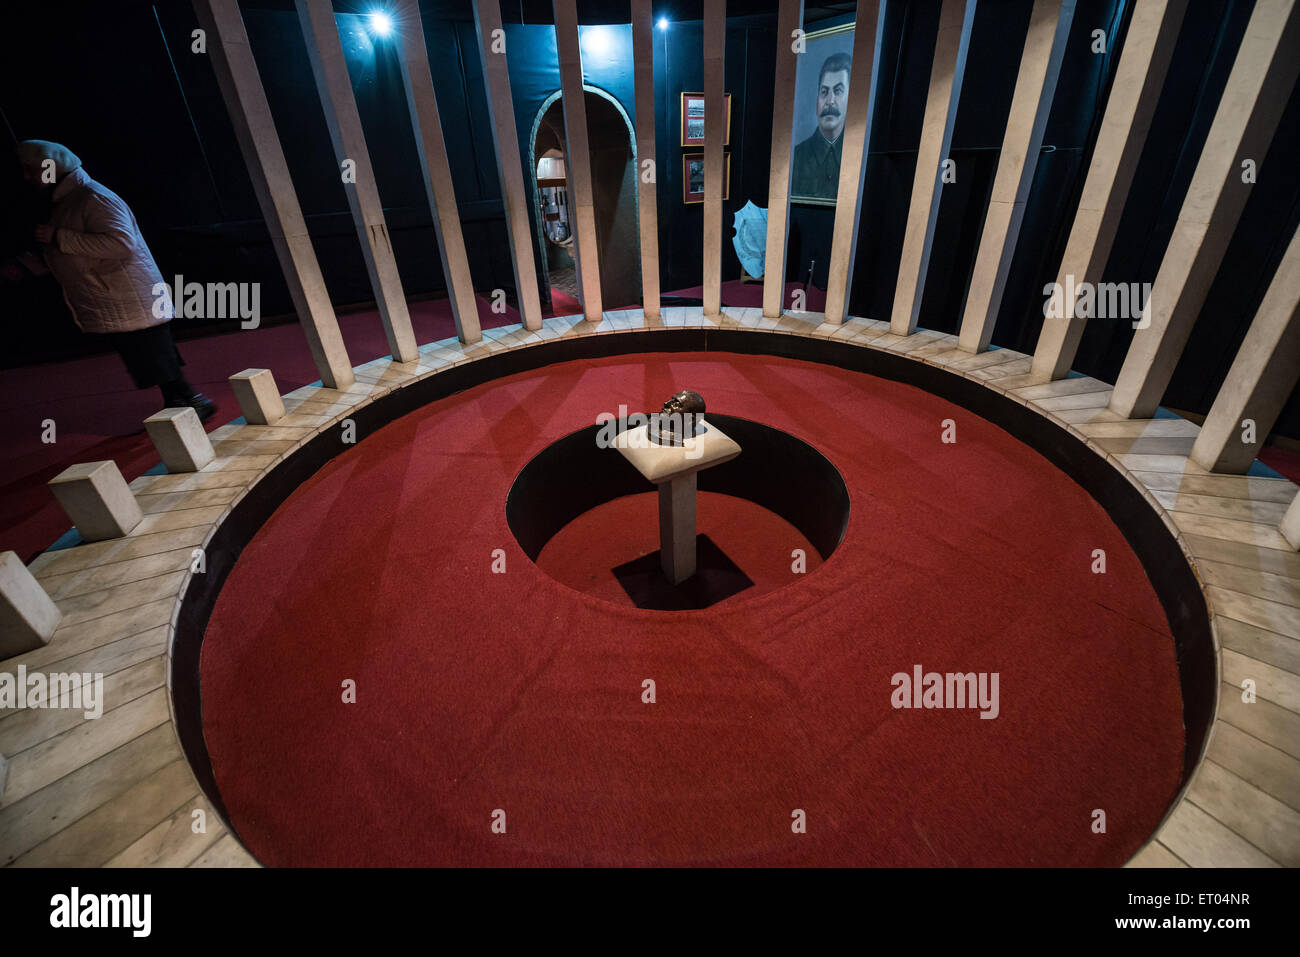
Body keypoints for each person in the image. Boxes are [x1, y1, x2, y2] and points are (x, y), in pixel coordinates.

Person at [17, 140, 215, 421]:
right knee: (149, 354)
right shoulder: (70, 201)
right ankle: (180, 400)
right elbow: (70, 254)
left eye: (30, 170)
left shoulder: (93, 197)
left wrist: (59, 237)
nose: (27, 178)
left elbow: (121, 244)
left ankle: (192, 400)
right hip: (117, 294)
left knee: (152, 352)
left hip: (126, 293)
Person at [791, 52, 851, 201]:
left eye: (838, 91)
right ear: (817, 101)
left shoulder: (858, 157)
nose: (830, 101)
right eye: (824, 92)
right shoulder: (796, 157)